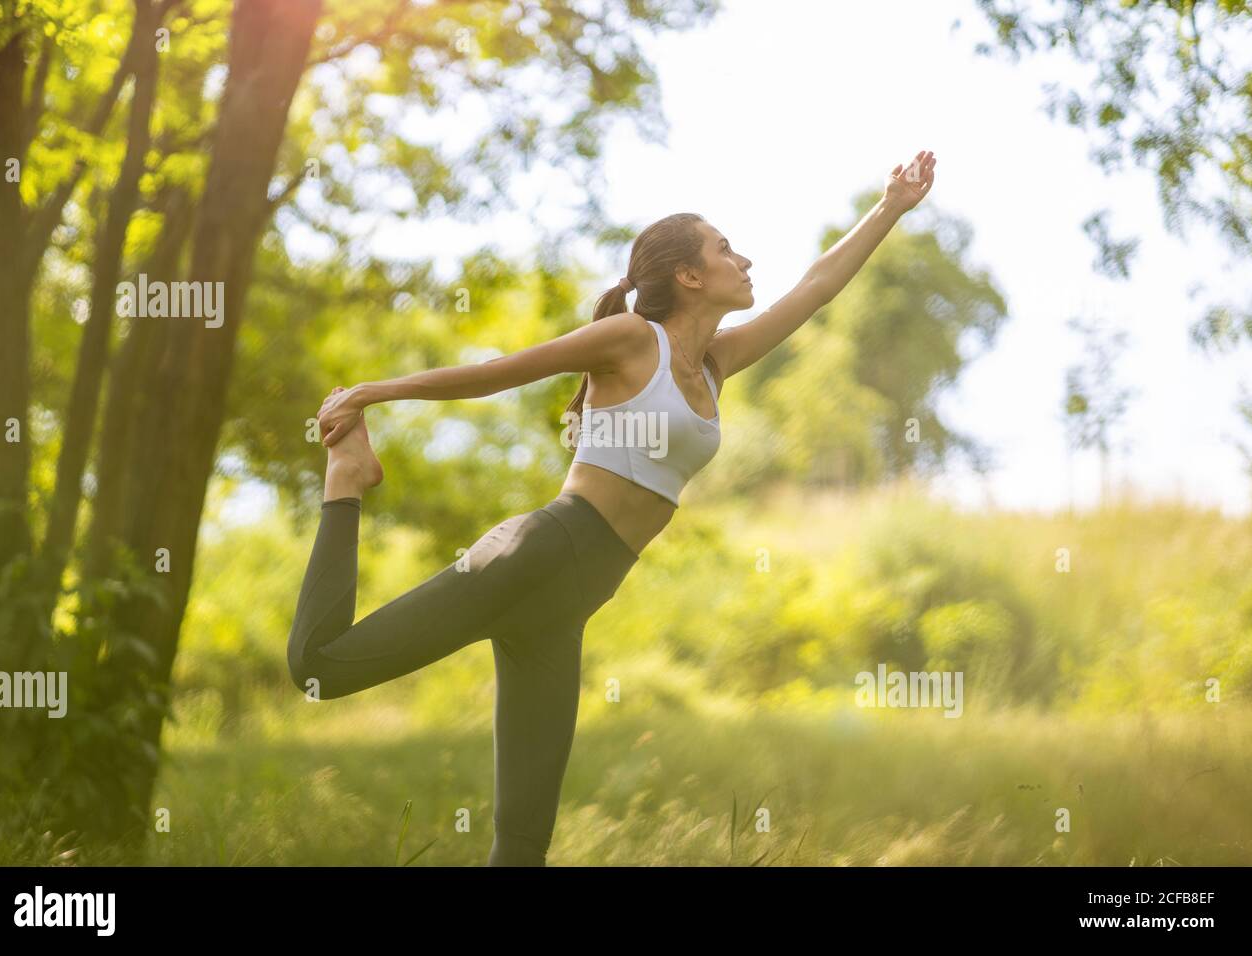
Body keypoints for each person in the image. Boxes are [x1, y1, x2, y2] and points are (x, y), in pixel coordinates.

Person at [286, 151, 937, 866]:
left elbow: (814, 289)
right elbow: (500, 371)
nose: (745, 260)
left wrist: (890, 207)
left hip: (566, 607)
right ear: (689, 275)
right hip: (538, 551)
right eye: (726, 249)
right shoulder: (632, 342)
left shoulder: (715, 365)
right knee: (320, 669)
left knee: (524, 838)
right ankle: (347, 478)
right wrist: (375, 393)